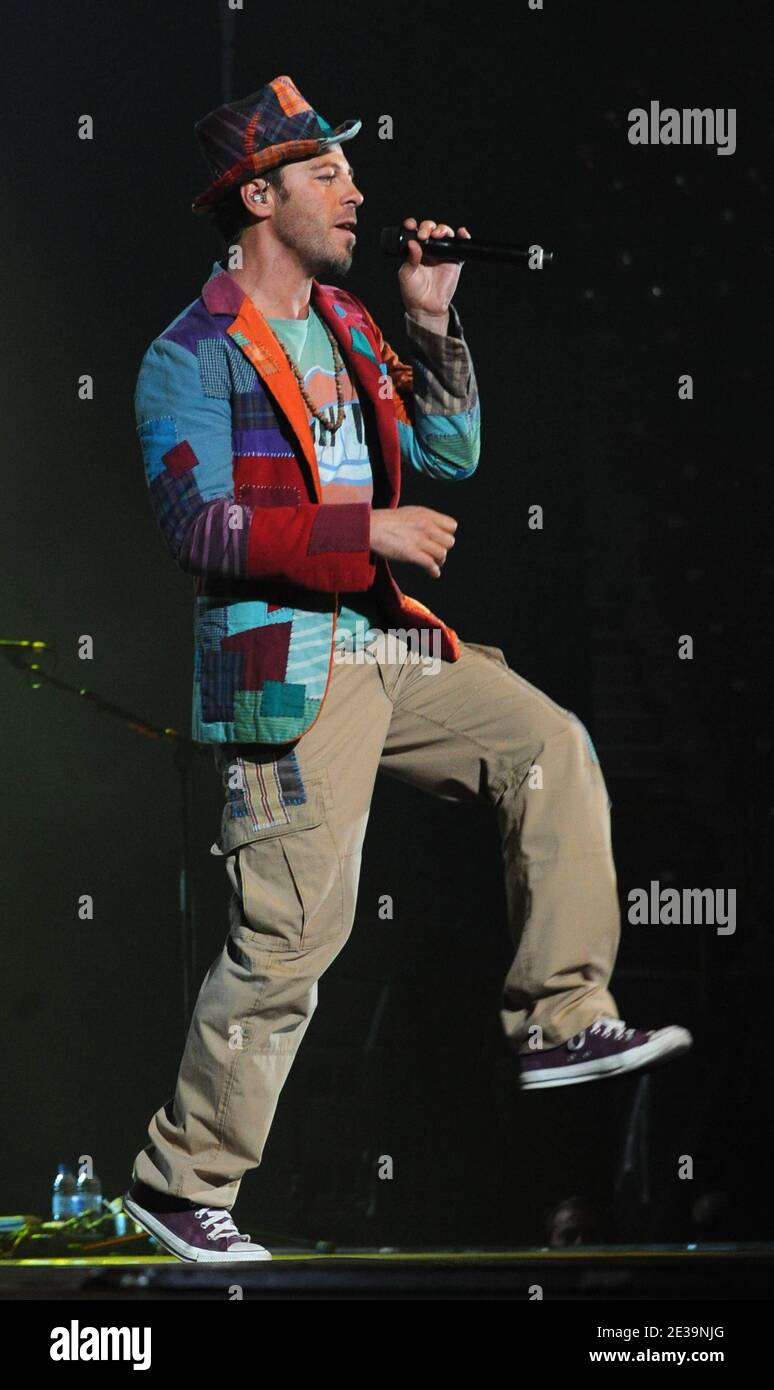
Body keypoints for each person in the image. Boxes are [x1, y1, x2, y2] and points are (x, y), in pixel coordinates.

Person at [123, 75, 692, 1263]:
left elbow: (452, 450)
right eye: (328, 172)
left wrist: (430, 318)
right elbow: (200, 526)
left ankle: (562, 1016)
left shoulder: (349, 325)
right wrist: (361, 533)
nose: (357, 191)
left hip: (388, 643)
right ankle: (179, 1186)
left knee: (549, 745)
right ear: (259, 193)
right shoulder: (191, 354)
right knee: (293, 938)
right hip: (286, 664)